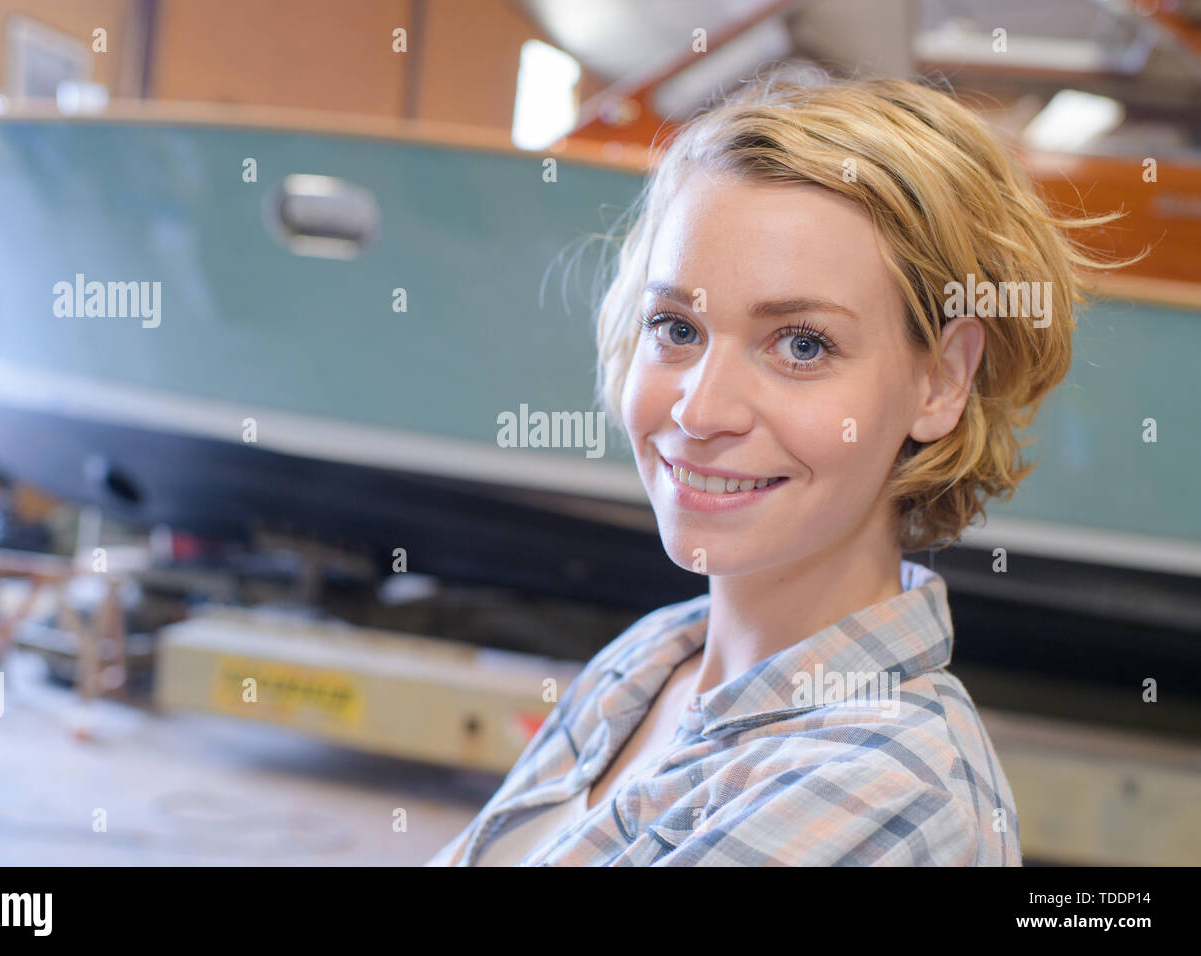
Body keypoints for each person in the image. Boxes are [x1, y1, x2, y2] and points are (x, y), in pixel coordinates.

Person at [426, 70, 1127, 866]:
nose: (699, 410)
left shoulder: (887, 789)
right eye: (676, 328)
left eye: (801, 344)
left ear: (941, 381)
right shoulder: (654, 658)